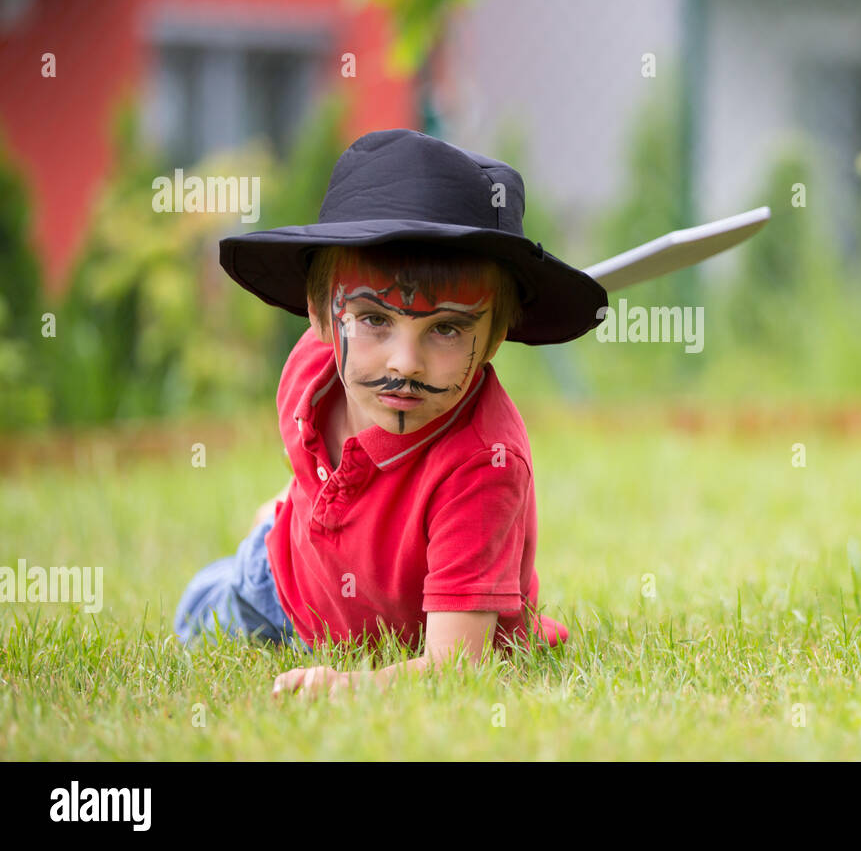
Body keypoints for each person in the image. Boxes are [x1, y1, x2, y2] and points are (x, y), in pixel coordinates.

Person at [172, 129, 608, 699]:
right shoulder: (311, 366)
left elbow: (458, 667)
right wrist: (295, 500)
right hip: (280, 584)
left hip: (371, 631)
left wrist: (348, 687)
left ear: (496, 336)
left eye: (446, 328)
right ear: (323, 317)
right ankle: (271, 523)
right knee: (191, 616)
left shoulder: (483, 463)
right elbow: (325, 459)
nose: (405, 364)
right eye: (376, 321)